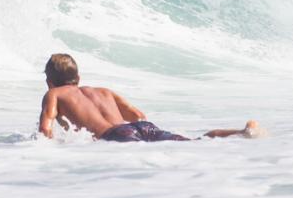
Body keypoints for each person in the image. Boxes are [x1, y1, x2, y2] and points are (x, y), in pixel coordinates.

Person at [37, 53, 260, 142]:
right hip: (141, 126)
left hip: (118, 136)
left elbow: (45, 131)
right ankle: (243, 132)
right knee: (194, 142)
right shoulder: (103, 91)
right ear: (79, 77)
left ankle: (243, 132)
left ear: (49, 81)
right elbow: (137, 115)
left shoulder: (53, 94)